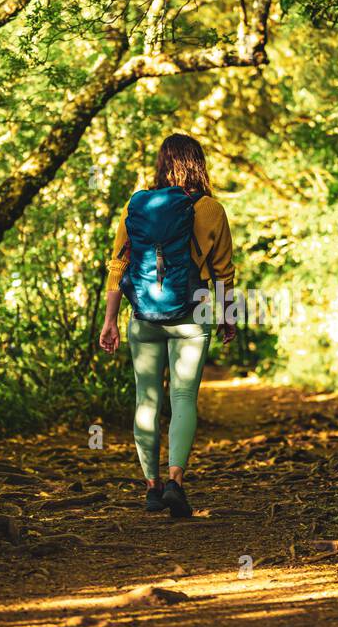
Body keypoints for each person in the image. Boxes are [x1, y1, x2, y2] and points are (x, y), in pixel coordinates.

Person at [99, 134, 236, 517]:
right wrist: (227, 316)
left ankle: (151, 488)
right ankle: (176, 480)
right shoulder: (211, 209)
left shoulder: (138, 205)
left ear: (162, 164)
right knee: (182, 398)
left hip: (142, 315)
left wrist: (110, 320)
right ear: (198, 163)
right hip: (192, 313)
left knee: (146, 398)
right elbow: (223, 272)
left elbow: (118, 265)